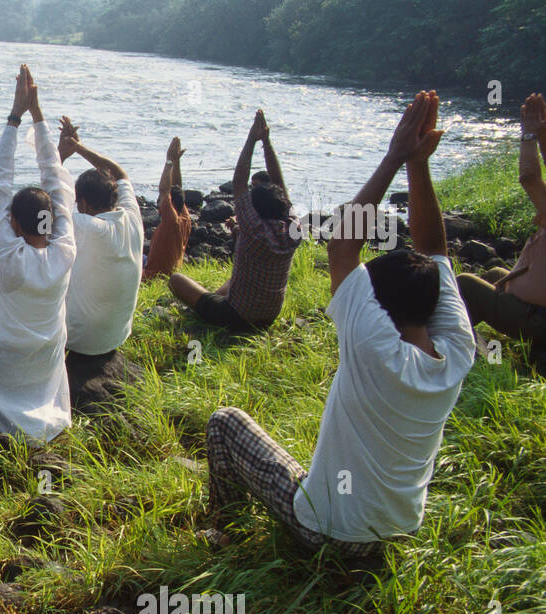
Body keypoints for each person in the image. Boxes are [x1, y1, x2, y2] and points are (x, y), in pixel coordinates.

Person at [203, 92, 475, 557]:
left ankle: (222, 531)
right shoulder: (458, 350)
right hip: (398, 529)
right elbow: (435, 250)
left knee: (226, 422)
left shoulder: (372, 345)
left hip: (330, 531)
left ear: (380, 309)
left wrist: (395, 156)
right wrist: (418, 163)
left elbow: (342, 247)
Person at [0, 64, 77, 443]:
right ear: (53, 221)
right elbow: (55, 179)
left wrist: (16, 116)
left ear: (13, 223)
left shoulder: (9, 259)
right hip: (40, 366)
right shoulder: (65, 251)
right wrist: (38, 114)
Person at [169, 110, 300, 333]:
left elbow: (239, 180)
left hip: (236, 315)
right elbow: (280, 184)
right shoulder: (293, 230)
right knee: (232, 283)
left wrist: (251, 138)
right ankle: (210, 298)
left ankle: (202, 308)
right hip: (269, 315)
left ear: (257, 211)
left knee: (176, 280)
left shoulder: (255, 228)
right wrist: (266, 142)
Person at [456, 92, 546, 354]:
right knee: (496, 275)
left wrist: (529, 135)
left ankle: (457, 348)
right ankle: (452, 334)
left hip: (540, 322)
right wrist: (541, 133)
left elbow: (529, 177)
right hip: (537, 311)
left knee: (465, 284)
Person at [56, 113, 144, 362]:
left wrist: (62, 154)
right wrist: (79, 147)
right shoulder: (132, 217)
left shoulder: (86, 226)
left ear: (82, 203)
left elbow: (46, 199)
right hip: (116, 336)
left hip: (79, 342)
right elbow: (119, 173)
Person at [143, 137, 192, 282]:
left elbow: (164, 190)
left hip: (153, 275)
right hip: (168, 268)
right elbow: (177, 187)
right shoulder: (184, 218)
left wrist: (169, 161)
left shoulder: (171, 222)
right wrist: (176, 162)